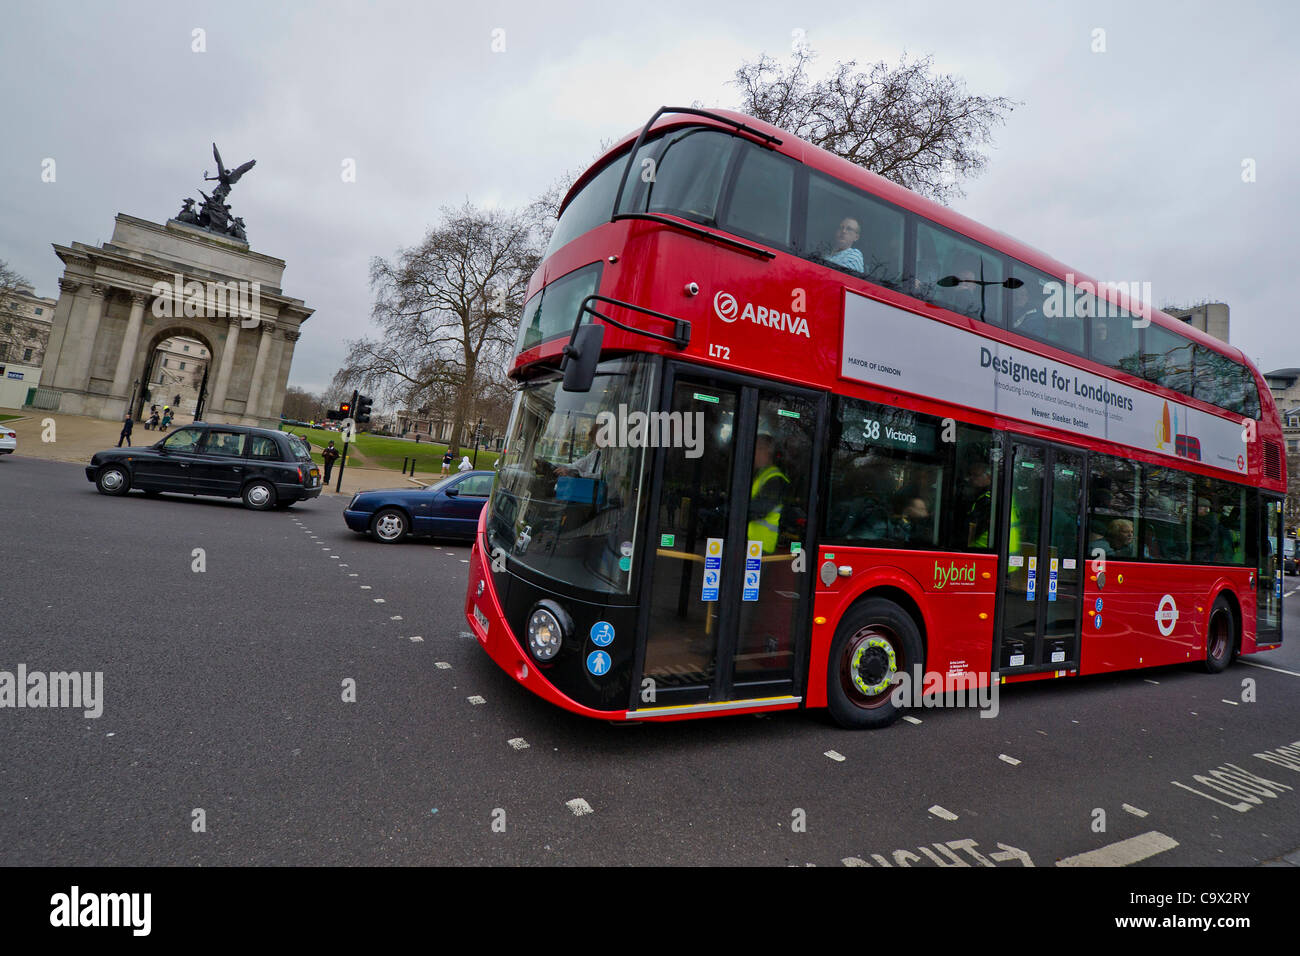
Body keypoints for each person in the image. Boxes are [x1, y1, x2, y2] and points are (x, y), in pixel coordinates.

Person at [748, 426, 789, 554]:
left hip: (762, 547)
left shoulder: (774, 479)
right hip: (754, 545)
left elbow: (758, 510)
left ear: (766, 451)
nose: (753, 454)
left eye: (756, 449)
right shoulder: (761, 475)